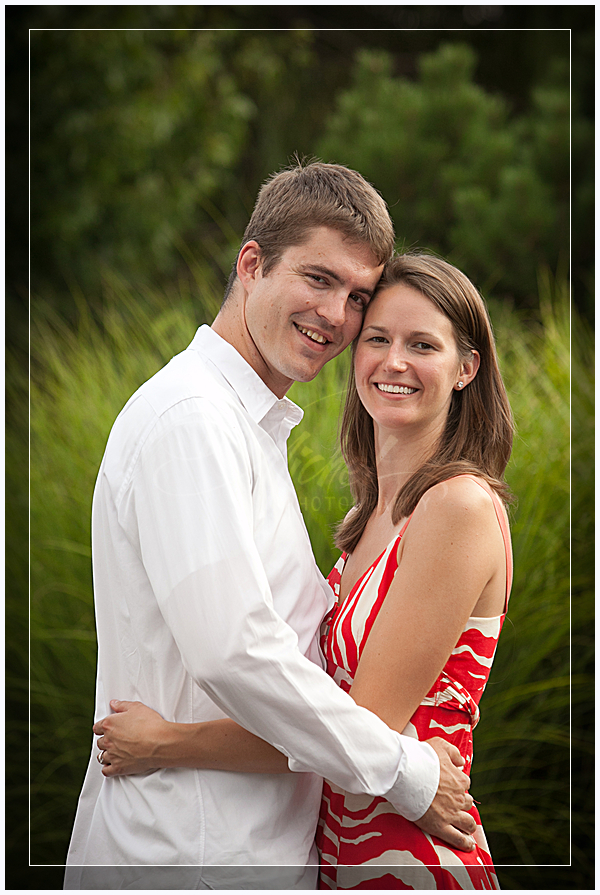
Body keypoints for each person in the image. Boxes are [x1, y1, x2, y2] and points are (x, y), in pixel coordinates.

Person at [64, 163, 476, 891]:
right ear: (251, 264)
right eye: (318, 279)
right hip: (192, 852)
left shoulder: (246, 426)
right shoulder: (193, 420)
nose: (336, 315)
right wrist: (407, 770)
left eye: (355, 296)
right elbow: (237, 652)